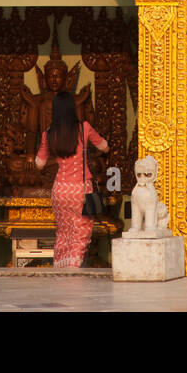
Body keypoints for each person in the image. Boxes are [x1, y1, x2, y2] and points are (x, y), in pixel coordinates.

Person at [35, 90, 108, 268]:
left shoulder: (49, 133)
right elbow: (105, 147)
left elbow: (39, 164)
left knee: (63, 232)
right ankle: (73, 272)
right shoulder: (84, 128)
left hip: (60, 190)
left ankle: (60, 267)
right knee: (80, 233)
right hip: (80, 190)